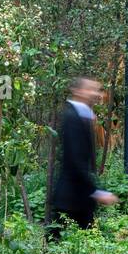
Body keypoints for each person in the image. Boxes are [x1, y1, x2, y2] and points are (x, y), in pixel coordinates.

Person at [49, 78, 118, 236]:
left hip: (77, 198)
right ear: (77, 91)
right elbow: (75, 160)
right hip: (71, 198)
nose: (95, 94)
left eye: (97, 90)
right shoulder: (72, 117)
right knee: (62, 245)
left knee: (79, 247)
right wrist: (96, 192)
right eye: (90, 89)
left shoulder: (82, 115)